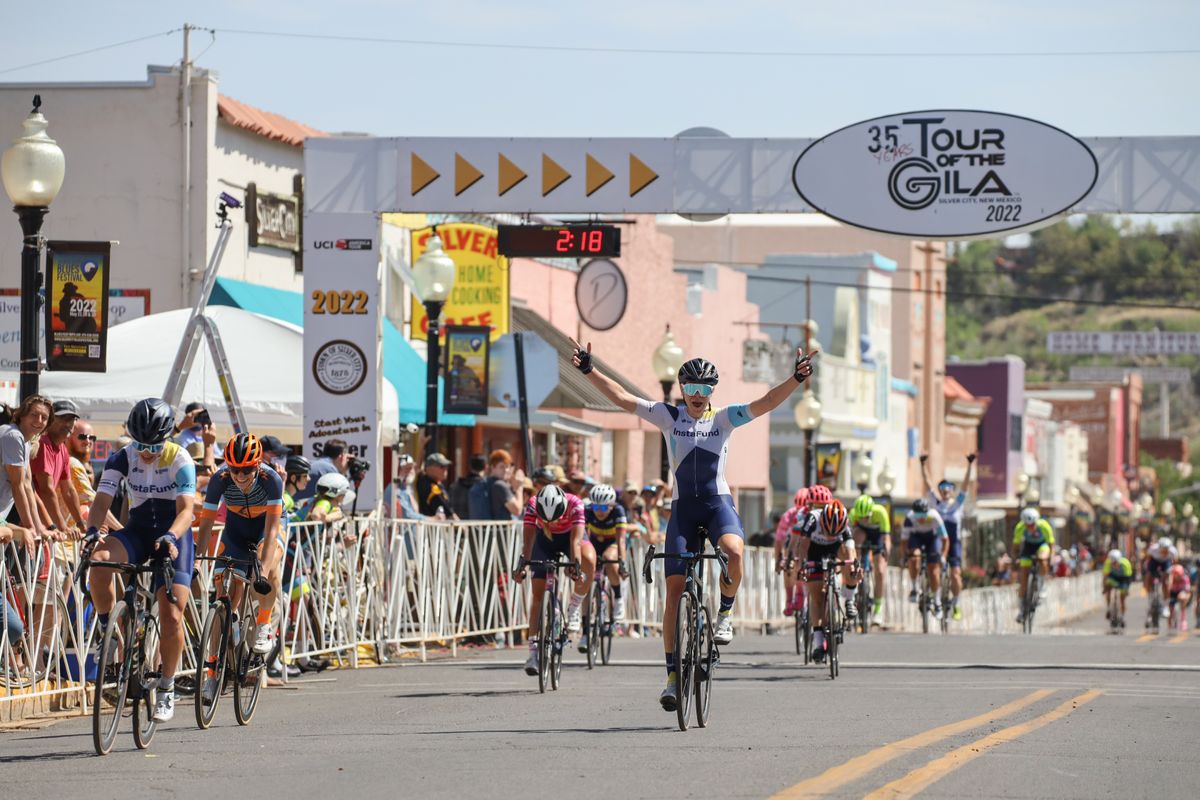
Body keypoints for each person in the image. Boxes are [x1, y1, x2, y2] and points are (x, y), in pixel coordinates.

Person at [571, 337, 815, 711]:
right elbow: (621, 398)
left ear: (711, 391)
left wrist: (795, 380)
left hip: (717, 504)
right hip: (683, 509)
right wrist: (590, 368)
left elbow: (765, 403)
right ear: (682, 389)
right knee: (673, 591)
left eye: (704, 388)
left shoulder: (723, 418)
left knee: (734, 551)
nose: (697, 395)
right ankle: (672, 676)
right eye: (691, 388)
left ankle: (724, 615)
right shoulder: (668, 416)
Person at [85, 398, 196, 723]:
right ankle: (109, 628)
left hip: (173, 534)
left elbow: (187, 510)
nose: (146, 451)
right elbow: (102, 499)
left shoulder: (180, 457)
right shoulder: (122, 456)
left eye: (154, 445)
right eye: (141, 444)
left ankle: (166, 685)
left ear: (166, 438)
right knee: (100, 559)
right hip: (138, 530)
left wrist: (172, 537)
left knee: (172, 614)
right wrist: (93, 530)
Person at [194, 434, 286, 703]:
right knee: (222, 600)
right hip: (235, 531)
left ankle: (264, 624)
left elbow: (270, 533)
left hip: (265, 529)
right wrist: (199, 559)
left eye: (246, 470)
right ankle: (211, 674)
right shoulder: (220, 479)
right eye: (235, 469)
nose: (240, 475)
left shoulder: (272, 480)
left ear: (258, 466)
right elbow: (207, 521)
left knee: (265, 569)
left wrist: (263, 572)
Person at [512, 483, 594, 677]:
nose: (554, 522)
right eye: (549, 519)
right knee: (538, 597)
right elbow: (528, 543)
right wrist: (522, 566)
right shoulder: (532, 505)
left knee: (589, 560)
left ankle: (574, 606)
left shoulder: (576, 504)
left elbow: (575, 542)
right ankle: (533, 653)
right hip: (544, 541)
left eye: (556, 517)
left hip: (569, 538)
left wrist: (575, 566)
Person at [792, 498, 859, 662]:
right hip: (814, 550)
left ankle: (850, 600)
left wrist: (853, 569)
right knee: (817, 597)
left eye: (834, 533)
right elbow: (803, 547)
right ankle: (819, 643)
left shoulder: (844, 526)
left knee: (851, 567)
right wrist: (802, 566)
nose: (830, 535)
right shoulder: (812, 519)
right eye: (828, 531)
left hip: (835, 549)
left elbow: (851, 553)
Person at [919, 452, 976, 621]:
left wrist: (969, 466)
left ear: (952, 491)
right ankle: (933, 591)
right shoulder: (935, 503)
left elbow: (965, 486)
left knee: (956, 575)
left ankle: (956, 603)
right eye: (942, 489)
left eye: (948, 489)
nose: (945, 492)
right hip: (938, 540)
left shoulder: (957, 504)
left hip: (954, 542)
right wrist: (922, 465)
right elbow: (927, 483)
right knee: (933, 568)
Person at [0, 395, 53, 544]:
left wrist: (37, 528)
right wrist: (30, 527)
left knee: (17, 534)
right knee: (14, 534)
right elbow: (18, 486)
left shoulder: (25, 441)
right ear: (21, 416)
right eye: (34, 415)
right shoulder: (13, 436)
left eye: (44, 417)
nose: (39, 421)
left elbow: (28, 487)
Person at [30, 399, 87, 536]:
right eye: (62, 418)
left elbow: (69, 491)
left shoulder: (62, 449)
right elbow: (46, 490)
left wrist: (81, 523)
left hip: (43, 525)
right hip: (28, 522)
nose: (68, 423)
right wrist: (62, 526)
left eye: (71, 419)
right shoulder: (43, 444)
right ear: (50, 421)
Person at [582, 483, 631, 636]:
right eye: (597, 507)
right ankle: (585, 630)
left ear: (611, 506)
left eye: (604, 508)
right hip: (594, 543)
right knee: (587, 583)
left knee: (609, 559)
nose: (600, 512)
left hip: (613, 544)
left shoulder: (618, 511)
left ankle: (618, 598)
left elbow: (621, 540)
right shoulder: (588, 511)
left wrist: (621, 563)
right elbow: (583, 537)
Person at [849, 493, 891, 627]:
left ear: (871, 512)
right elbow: (848, 539)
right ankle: (857, 574)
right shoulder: (853, 514)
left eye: (866, 517)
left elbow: (886, 539)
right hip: (862, 533)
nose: (864, 520)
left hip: (877, 535)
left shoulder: (881, 512)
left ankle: (878, 609)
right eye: (861, 518)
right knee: (857, 538)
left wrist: (886, 554)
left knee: (879, 570)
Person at [902, 498, 949, 618]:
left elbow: (945, 539)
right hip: (916, 537)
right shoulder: (909, 518)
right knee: (914, 558)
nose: (922, 520)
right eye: (919, 517)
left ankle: (937, 601)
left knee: (934, 570)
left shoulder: (934, 517)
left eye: (924, 517)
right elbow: (904, 541)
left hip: (932, 538)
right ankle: (914, 588)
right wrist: (905, 556)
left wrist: (943, 556)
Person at [1012, 506, 1055, 624]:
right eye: (1027, 525)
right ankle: (1021, 611)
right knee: (1024, 578)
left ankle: (1041, 586)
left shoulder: (1044, 526)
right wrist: (1015, 559)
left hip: (1042, 545)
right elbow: (1015, 546)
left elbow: (1051, 545)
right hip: (1028, 546)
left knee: (1043, 559)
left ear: (1036, 521)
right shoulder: (1020, 527)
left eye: (1032, 525)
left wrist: (1051, 560)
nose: (1030, 528)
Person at [775, 488, 809, 617]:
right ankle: (789, 599)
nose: (800, 511)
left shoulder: (811, 514)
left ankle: (800, 592)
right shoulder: (788, 516)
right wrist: (778, 558)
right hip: (792, 544)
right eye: (798, 507)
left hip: (806, 544)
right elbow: (779, 540)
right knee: (788, 564)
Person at [476, 449, 522, 521]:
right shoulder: (500, 485)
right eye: (502, 467)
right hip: (502, 531)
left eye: (507, 466)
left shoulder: (486, 483)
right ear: (492, 467)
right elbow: (517, 510)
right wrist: (519, 488)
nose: (506, 470)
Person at [416, 452, 455, 519]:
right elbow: (449, 513)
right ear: (429, 468)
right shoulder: (426, 484)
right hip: (429, 527)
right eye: (442, 466)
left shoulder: (438, 483)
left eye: (446, 467)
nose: (445, 469)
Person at [1143, 536, 1176, 613]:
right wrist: (1147, 570)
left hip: (1166, 562)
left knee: (1166, 583)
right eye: (1163, 550)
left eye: (1166, 551)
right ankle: (1150, 592)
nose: (1164, 552)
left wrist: (1169, 575)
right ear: (1159, 548)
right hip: (1154, 561)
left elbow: (1174, 564)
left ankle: (1165, 606)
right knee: (1149, 575)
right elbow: (1148, 559)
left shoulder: (1173, 551)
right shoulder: (1153, 549)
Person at [1101, 548, 1133, 627]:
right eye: (1112, 563)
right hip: (1113, 578)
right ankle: (1108, 608)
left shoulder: (1125, 564)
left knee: (1122, 598)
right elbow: (1105, 577)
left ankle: (1122, 617)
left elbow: (1128, 579)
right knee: (1107, 587)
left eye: (1115, 563)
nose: (1114, 564)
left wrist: (1127, 589)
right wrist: (1104, 588)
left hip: (1123, 579)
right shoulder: (1107, 563)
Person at [450, 453, 487, 519]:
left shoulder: (454, 486)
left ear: (470, 466)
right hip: (478, 528)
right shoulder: (486, 487)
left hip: (458, 527)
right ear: (486, 467)